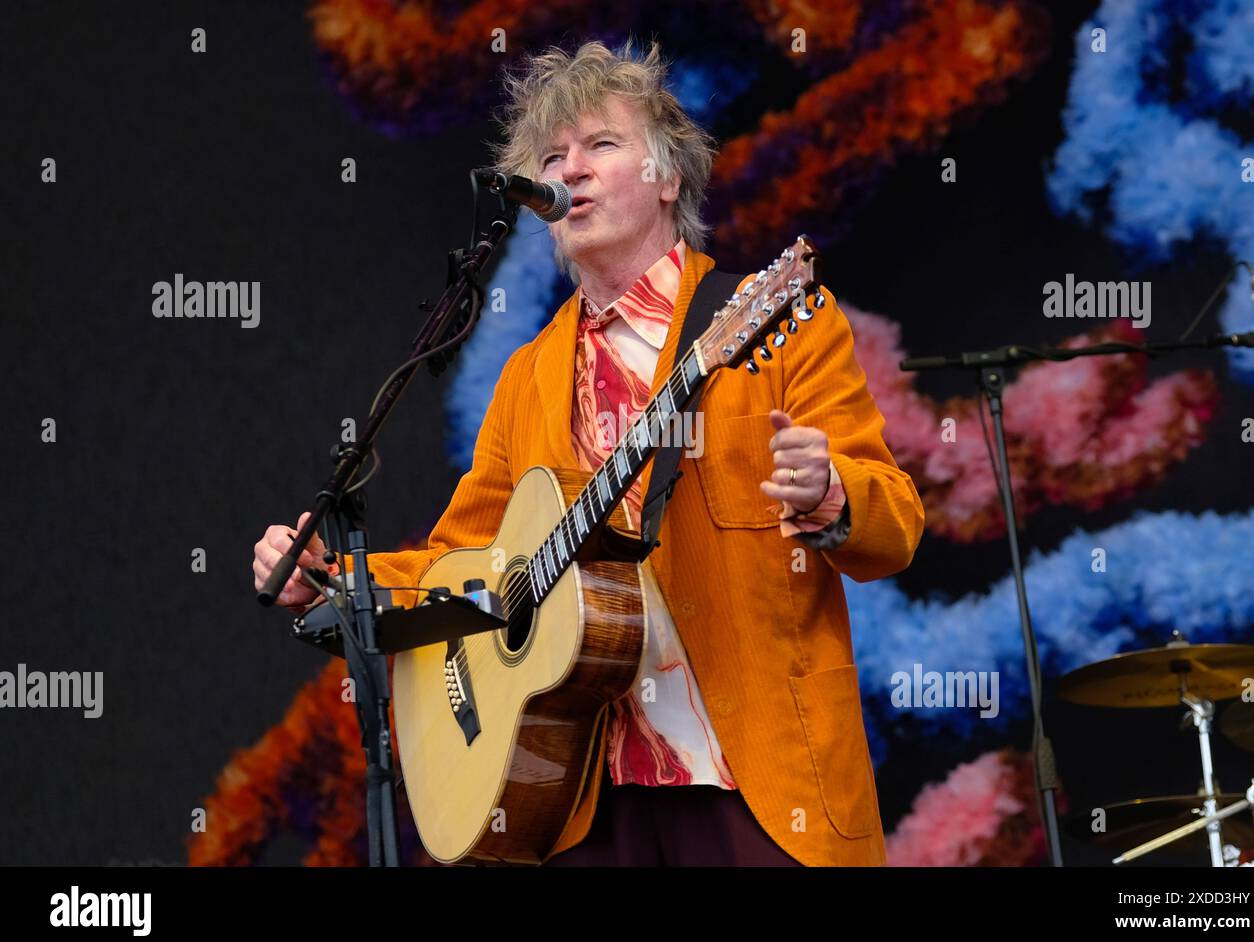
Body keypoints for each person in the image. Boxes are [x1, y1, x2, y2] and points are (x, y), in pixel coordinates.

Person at [252, 39, 924, 866]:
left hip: (755, 791)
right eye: (552, 158)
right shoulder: (528, 375)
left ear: (669, 177)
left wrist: (828, 492)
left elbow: (896, 527)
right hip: (580, 796)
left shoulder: (777, 322)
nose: (573, 170)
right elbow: (461, 561)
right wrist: (334, 577)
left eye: (602, 145)